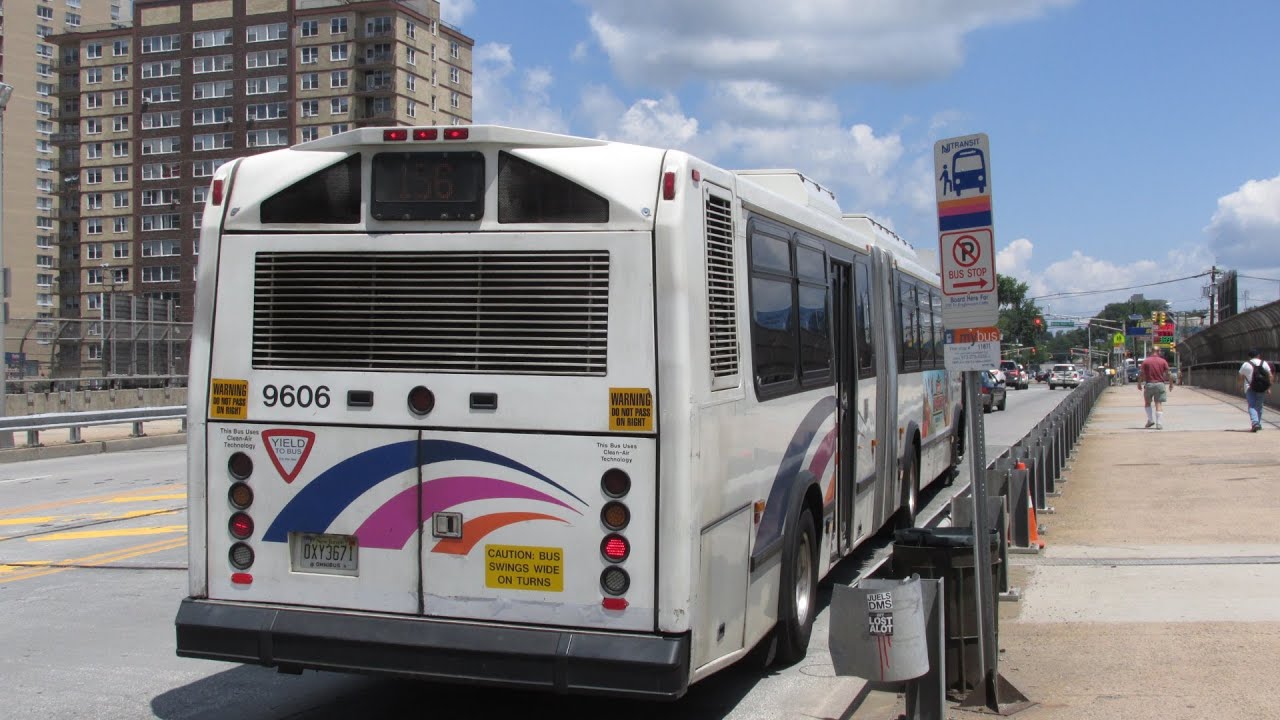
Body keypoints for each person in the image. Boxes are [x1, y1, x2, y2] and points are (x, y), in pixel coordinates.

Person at [1237, 348, 1272, 432]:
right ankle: (1258, 424)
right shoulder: (1264, 363)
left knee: (1251, 405)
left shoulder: (1246, 364)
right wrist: (1269, 387)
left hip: (1249, 387)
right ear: (1258, 355)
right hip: (1262, 387)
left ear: (1249, 357)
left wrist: (1240, 386)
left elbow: (1240, 376)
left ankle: (1255, 423)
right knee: (1259, 405)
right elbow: (1270, 375)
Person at [1138, 348, 1171, 429]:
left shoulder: (1146, 361)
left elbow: (1141, 374)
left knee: (1147, 403)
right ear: (1158, 351)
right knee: (1158, 403)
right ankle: (1159, 424)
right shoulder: (1163, 361)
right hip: (1160, 384)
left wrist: (1139, 383)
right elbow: (1168, 373)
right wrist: (1171, 384)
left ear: (1151, 351)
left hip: (1149, 384)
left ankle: (1150, 420)